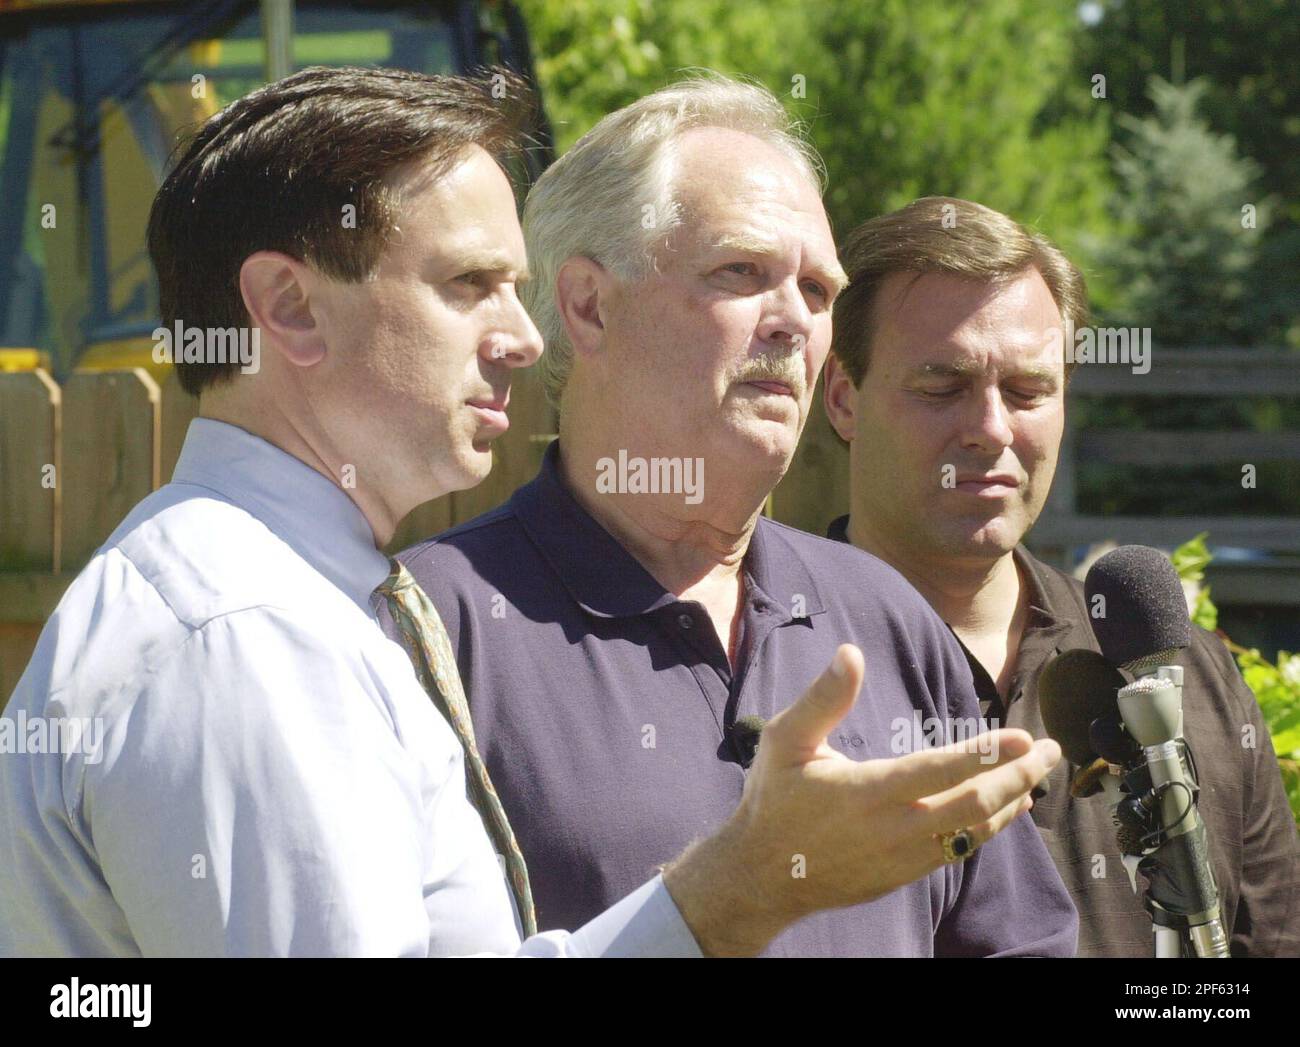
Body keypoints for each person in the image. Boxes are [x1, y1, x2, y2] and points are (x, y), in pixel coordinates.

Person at [0, 70, 1062, 959]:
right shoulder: (249, 636)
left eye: (820, 293)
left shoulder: (297, 608)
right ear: (287, 308)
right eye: (470, 285)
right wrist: (730, 894)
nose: (520, 337)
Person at [391, 75, 1077, 956]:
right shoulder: (431, 631)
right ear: (589, 305)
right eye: (742, 273)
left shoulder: (888, 618)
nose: (793, 320)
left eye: (820, 292)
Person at [821, 195, 1300, 956]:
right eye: (941, 385)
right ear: (844, 399)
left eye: (1027, 390)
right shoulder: (775, 676)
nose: (990, 427)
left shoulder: (1190, 682)